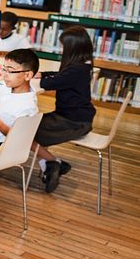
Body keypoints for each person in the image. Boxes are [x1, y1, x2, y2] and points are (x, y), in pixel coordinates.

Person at [33, 26, 96, 193]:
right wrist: (44, 73)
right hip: (73, 117)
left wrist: (41, 77)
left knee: (23, 131)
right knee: (27, 127)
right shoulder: (82, 65)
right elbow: (61, 75)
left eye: (63, 47)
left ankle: (54, 163)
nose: (61, 50)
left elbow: (49, 84)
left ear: (71, 49)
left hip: (73, 122)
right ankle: (50, 164)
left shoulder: (76, 70)